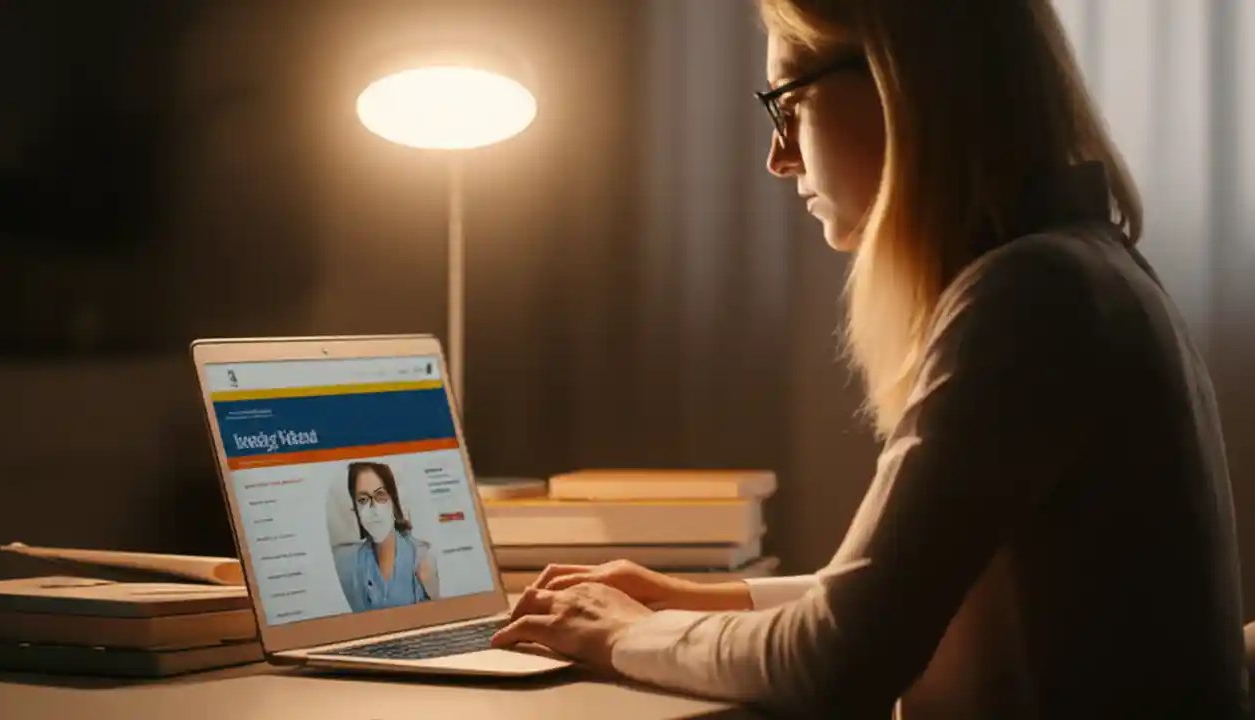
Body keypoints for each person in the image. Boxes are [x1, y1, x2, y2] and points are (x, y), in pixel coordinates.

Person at [490, 0, 1250, 716]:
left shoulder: (1032, 299)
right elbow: (896, 603)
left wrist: (621, 632)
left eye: (787, 104)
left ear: (900, 80)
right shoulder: (1090, 273)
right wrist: (691, 598)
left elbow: (839, 658)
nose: (777, 158)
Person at [341, 461, 438, 611]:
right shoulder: (358, 563)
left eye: (380, 496)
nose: (373, 508)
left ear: (393, 500)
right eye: (363, 500)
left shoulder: (421, 558)